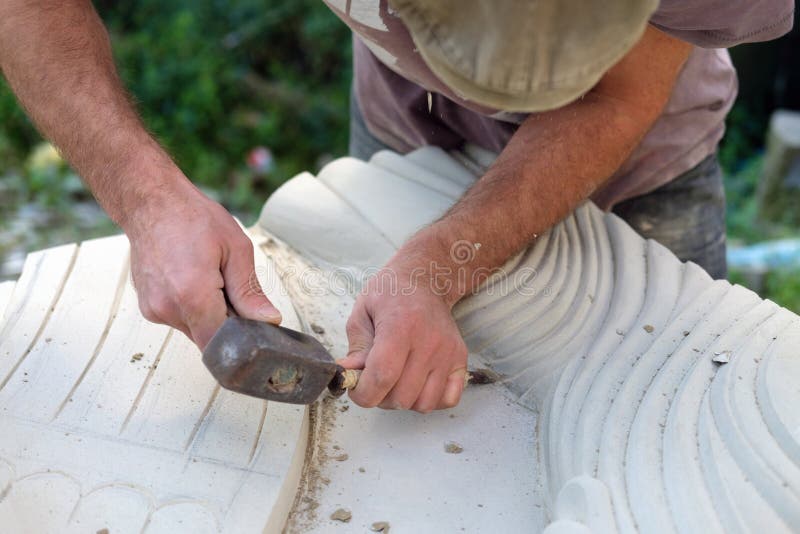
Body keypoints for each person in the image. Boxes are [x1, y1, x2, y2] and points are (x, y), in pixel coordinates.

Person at [0, 1, 793, 413]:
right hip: (403, 121)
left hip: (640, 169)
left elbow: (618, 97)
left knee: (665, 408)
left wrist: (437, 265)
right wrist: (147, 201)